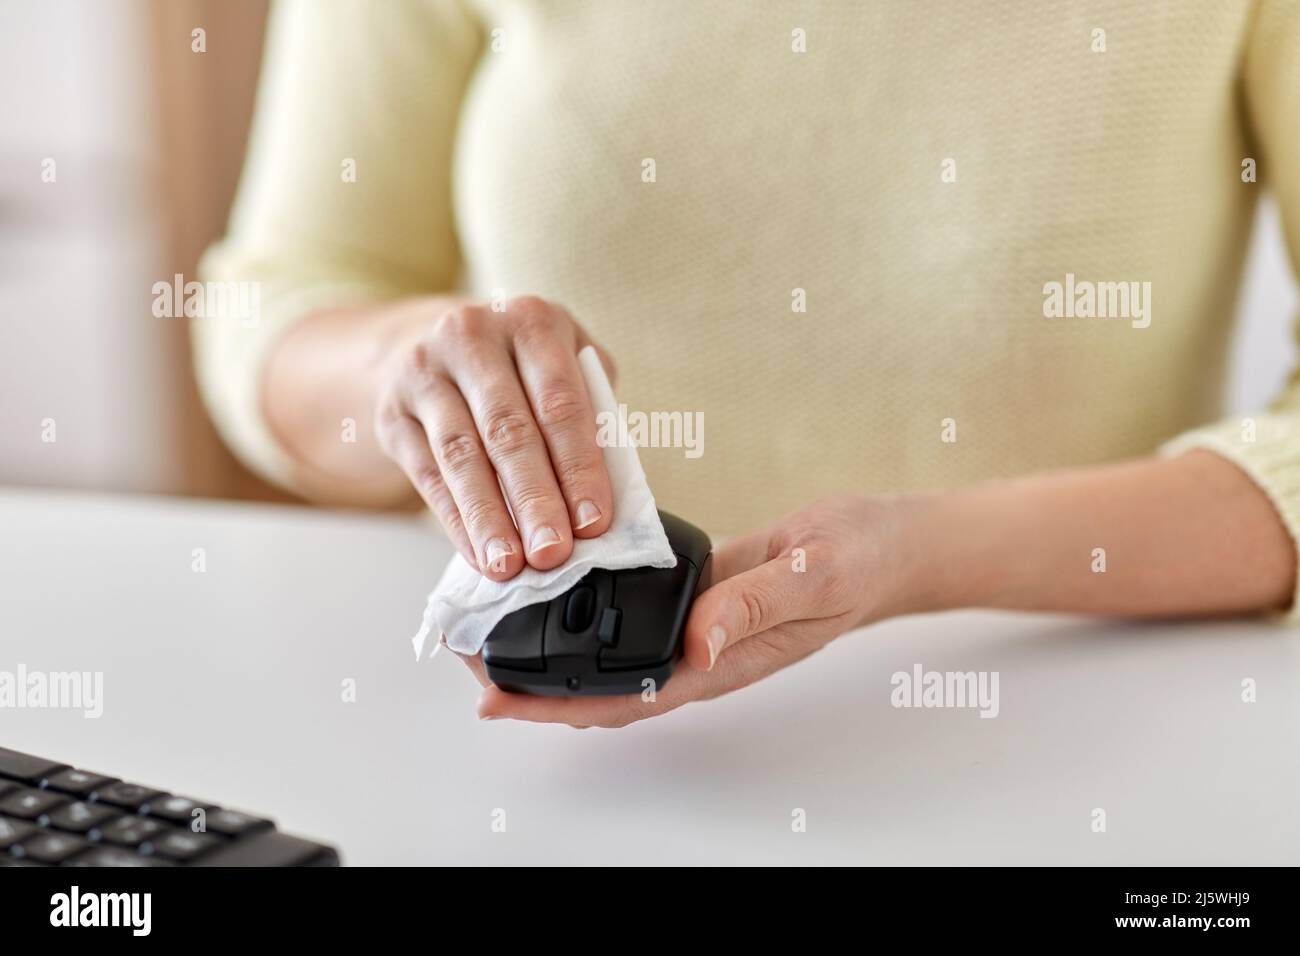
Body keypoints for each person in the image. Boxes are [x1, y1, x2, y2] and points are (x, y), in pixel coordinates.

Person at [195, 1, 1300, 727]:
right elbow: (278, 296)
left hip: (1069, 722)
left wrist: (911, 559)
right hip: (526, 767)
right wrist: (404, 370)